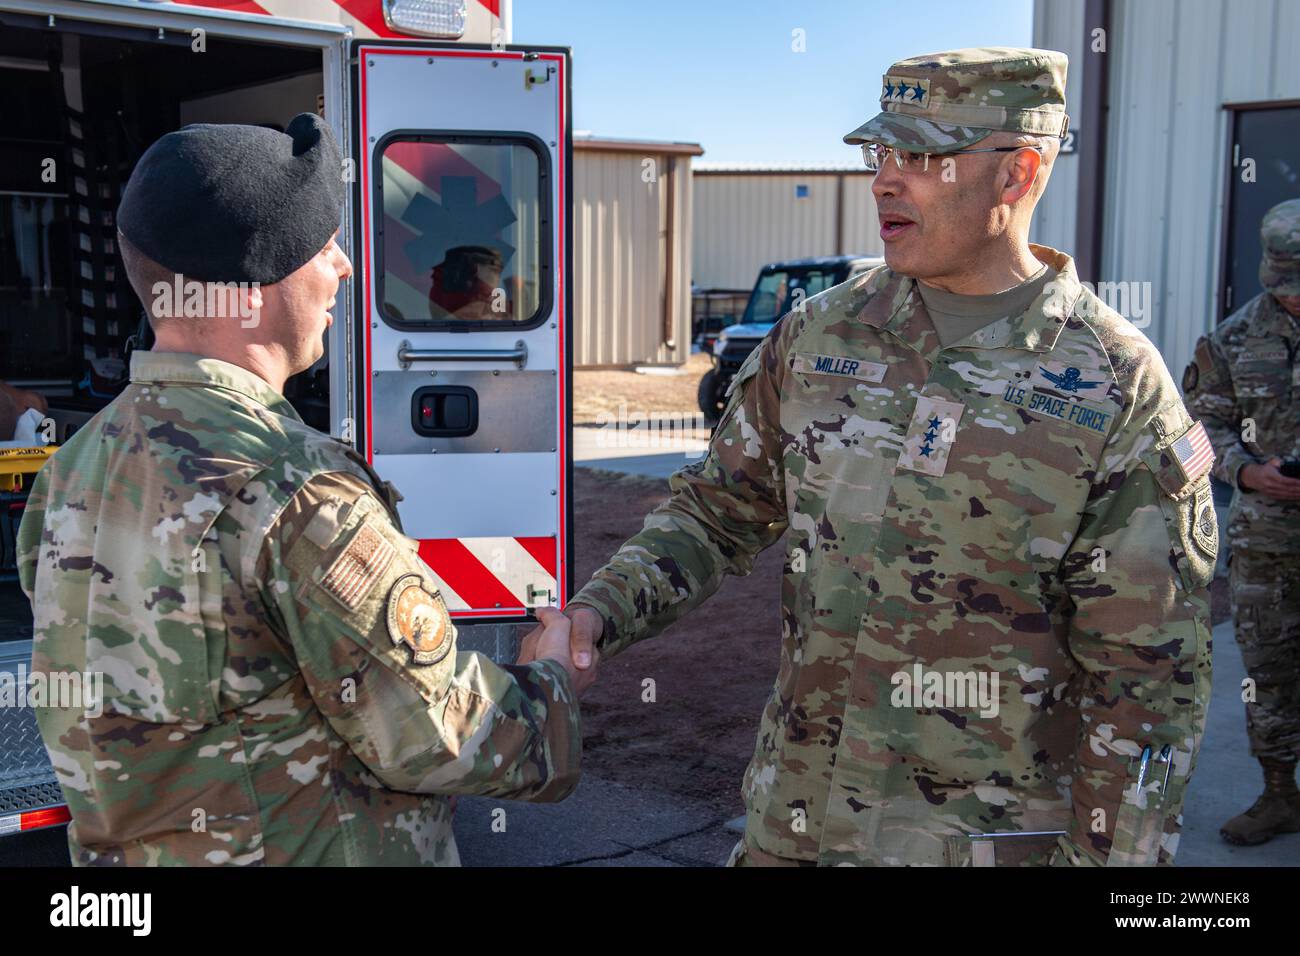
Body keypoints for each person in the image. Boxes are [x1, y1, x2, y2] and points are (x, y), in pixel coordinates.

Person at [524, 47, 1215, 867]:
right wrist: (598, 612)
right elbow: (715, 512)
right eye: (879, 154)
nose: (886, 181)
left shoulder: (1112, 384)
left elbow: (1146, 685)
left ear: (1017, 173)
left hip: (978, 843)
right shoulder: (820, 335)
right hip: (795, 822)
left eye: (921, 157)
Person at [17, 114, 590, 867]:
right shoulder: (298, 487)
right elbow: (441, 738)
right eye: (323, 248)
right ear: (251, 293)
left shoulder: (72, 468)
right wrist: (551, 675)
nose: (345, 268)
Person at [1184, 197, 1300, 846]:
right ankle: (1280, 795)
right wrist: (1247, 473)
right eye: (1287, 289)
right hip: (1267, 543)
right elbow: (1193, 433)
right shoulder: (1229, 338)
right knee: (1269, 676)